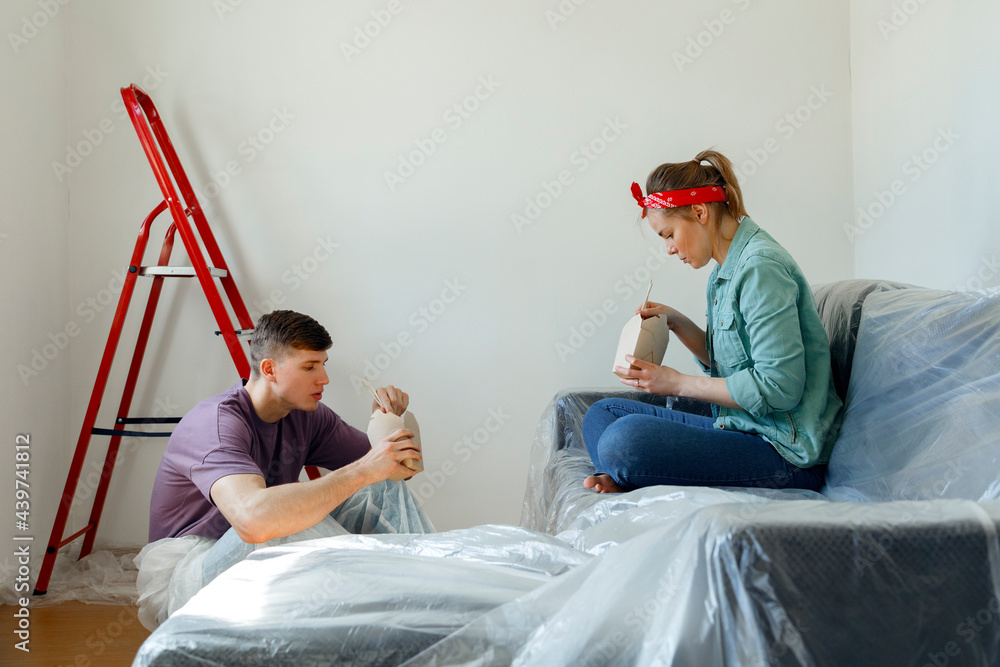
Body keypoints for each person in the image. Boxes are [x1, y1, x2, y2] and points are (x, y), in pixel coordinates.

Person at [583, 150, 843, 494]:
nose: (670, 249)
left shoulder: (760, 268)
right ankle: (628, 470)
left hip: (785, 454)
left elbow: (779, 386)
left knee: (623, 441)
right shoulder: (724, 271)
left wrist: (676, 383)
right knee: (601, 415)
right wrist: (674, 321)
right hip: (739, 427)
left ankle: (627, 468)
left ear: (699, 211)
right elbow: (728, 362)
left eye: (668, 234)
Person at [148, 309, 422, 543]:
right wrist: (363, 471)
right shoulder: (215, 424)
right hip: (194, 564)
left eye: (323, 364)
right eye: (309, 367)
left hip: (257, 551)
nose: (324, 378)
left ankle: (421, 582)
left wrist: (385, 425)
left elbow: (394, 473)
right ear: (269, 370)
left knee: (381, 488)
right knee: (285, 519)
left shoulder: (308, 417)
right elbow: (253, 522)